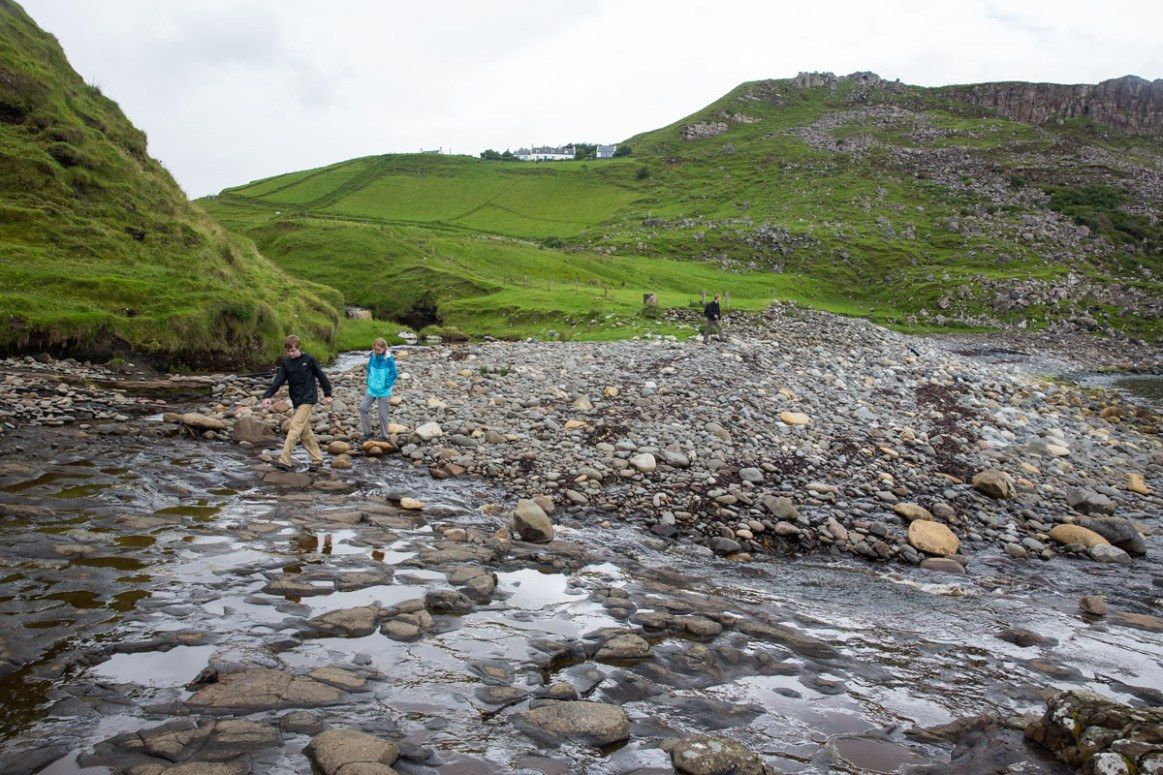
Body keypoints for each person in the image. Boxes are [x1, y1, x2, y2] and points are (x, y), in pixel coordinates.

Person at [260, 334, 333, 471]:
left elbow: (322, 377)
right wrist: (267, 396)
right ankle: (317, 459)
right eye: (289, 351)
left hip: (308, 399)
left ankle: (285, 460)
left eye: (293, 350)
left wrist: (328, 394)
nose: (291, 353)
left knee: (294, 428)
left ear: (299, 347)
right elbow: (278, 381)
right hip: (296, 400)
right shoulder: (286, 363)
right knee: (305, 433)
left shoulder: (309, 360)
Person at [360, 337, 398, 441]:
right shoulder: (373, 356)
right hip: (372, 389)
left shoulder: (389, 359)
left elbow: (394, 373)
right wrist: (369, 379)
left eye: (378, 350)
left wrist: (386, 384)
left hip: (384, 391)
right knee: (363, 408)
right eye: (375, 349)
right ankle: (368, 433)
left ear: (384, 348)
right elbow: (369, 368)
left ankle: (385, 436)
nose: (376, 352)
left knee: (383, 414)